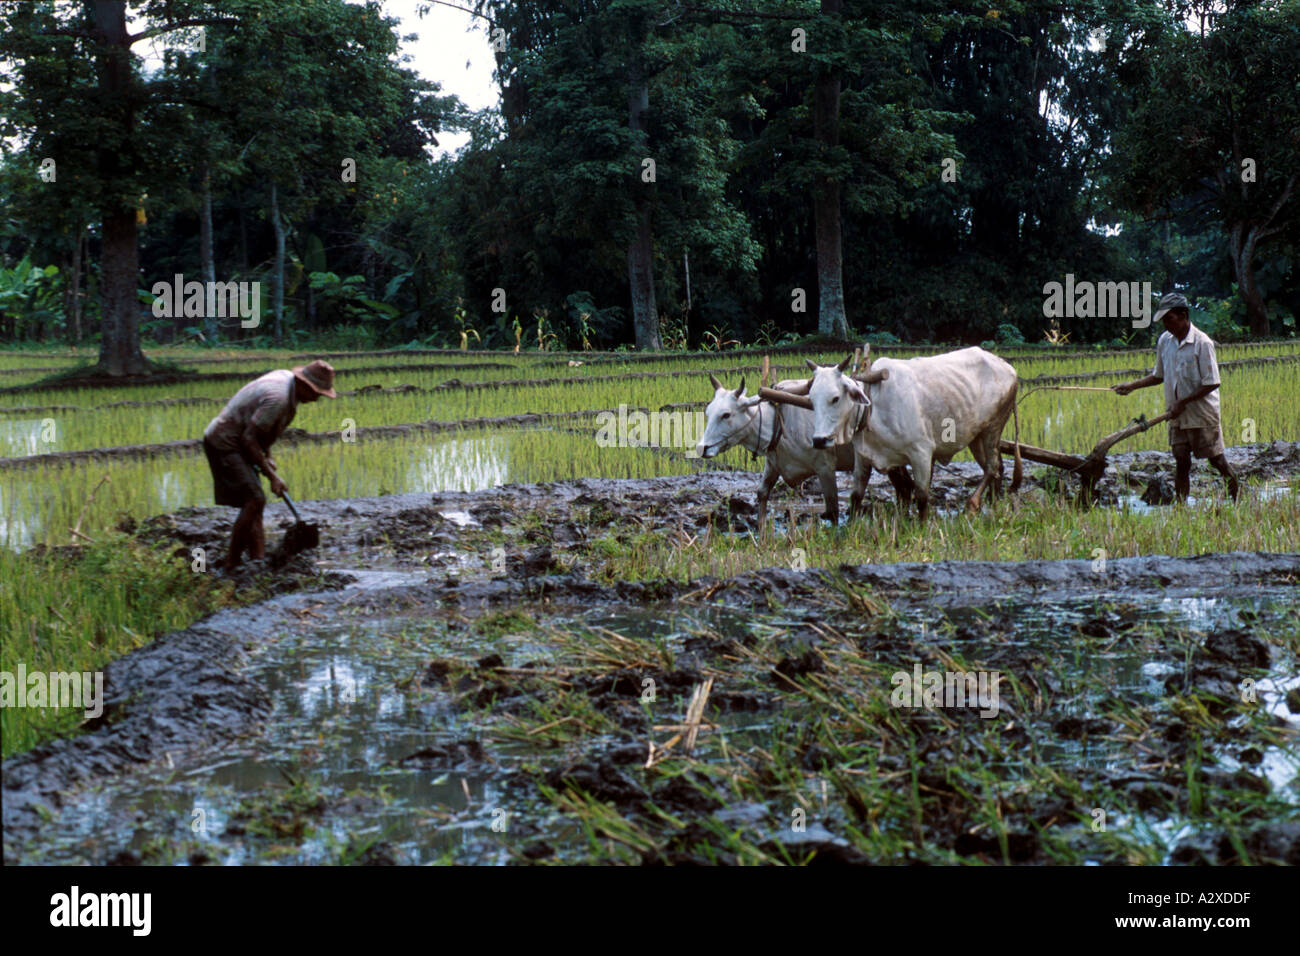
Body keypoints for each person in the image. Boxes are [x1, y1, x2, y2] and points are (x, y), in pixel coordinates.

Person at [203, 360, 337, 571]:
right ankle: (232, 562)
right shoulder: (279, 398)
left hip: (239, 440)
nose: (317, 398)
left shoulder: (287, 384)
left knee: (255, 501)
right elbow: (249, 438)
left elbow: (260, 430)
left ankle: (258, 560)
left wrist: (267, 455)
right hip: (225, 442)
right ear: (305, 385)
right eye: (317, 393)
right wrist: (272, 476)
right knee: (254, 499)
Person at [1112, 293, 1239, 501]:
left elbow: (1212, 381)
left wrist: (1183, 401)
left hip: (1201, 414)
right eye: (1163, 320)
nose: (1165, 324)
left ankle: (1237, 499)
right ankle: (1180, 508)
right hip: (1176, 415)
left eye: (1169, 318)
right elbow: (1158, 376)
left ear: (1183, 315)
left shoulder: (1202, 343)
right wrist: (1132, 386)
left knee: (1216, 460)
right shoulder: (1165, 341)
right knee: (1181, 461)